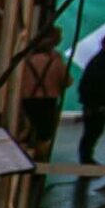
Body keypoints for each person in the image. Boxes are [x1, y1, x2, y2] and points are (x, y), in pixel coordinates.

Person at [22, 24, 69, 160]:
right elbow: (66, 80)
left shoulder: (26, 58)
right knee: (44, 137)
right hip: (47, 102)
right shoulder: (55, 60)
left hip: (26, 101)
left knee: (25, 134)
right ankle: (39, 166)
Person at [80, 38, 105, 166]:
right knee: (93, 131)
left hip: (95, 104)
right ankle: (86, 159)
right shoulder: (100, 62)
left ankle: (86, 158)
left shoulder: (98, 61)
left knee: (92, 131)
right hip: (96, 104)